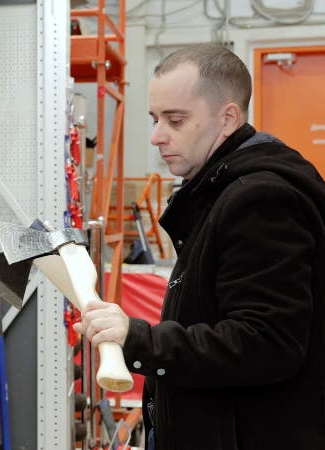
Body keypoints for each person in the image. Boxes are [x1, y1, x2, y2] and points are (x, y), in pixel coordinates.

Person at [73, 43, 325, 449]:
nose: (156, 136)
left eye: (175, 120)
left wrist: (138, 339)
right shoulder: (218, 189)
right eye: (155, 119)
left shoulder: (259, 199)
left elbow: (268, 343)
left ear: (228, 118)